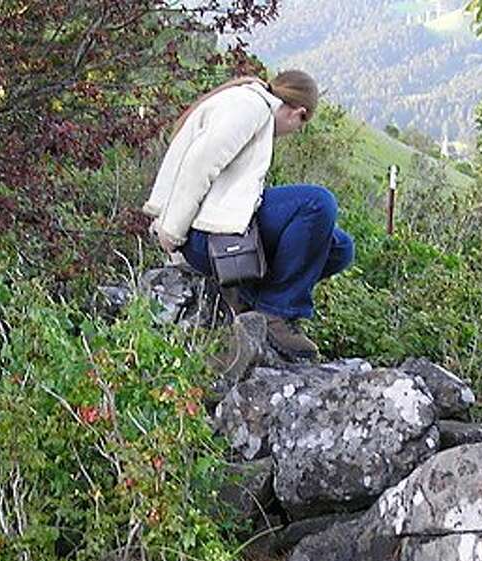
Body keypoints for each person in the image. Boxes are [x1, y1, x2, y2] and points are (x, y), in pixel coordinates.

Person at [143, 71, 354, 360]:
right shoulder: (249, 107)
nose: (292, 133)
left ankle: (250, 300)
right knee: (318, 203)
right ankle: (275, 314)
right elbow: (199, 165)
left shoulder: (255, 107)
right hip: (201, 238)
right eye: (300, 126)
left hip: (218, 232)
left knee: (339, 248)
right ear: (299, 113)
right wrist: (172, 232)